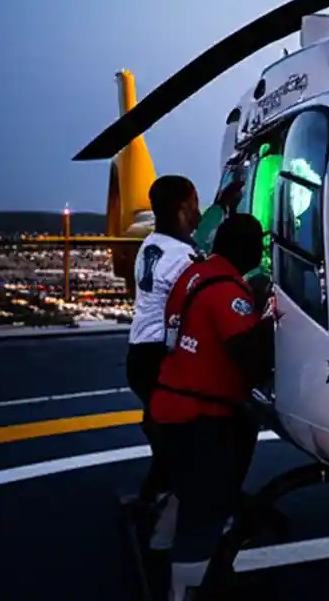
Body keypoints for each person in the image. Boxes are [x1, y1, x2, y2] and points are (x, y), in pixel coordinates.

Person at [150, 213, 276, 600]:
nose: (260, 253)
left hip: (167, 406)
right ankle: (185, 590)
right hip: (199, 417)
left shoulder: (195, 275)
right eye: (258, 246)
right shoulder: (229, 294)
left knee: (186, 490)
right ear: (245, 248)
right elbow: (250, 359)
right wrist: (270, 321)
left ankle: (158, 546)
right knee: (207, 507)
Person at [126, 175, 202, 547]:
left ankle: (153, 498)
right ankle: (159, 510)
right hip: (159, 356)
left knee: (162, 430)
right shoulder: (184, 258)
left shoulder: (151, 245)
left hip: (138, 351)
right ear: (183, 209)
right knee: (180, 440)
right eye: (195, 203)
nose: (199, 211)